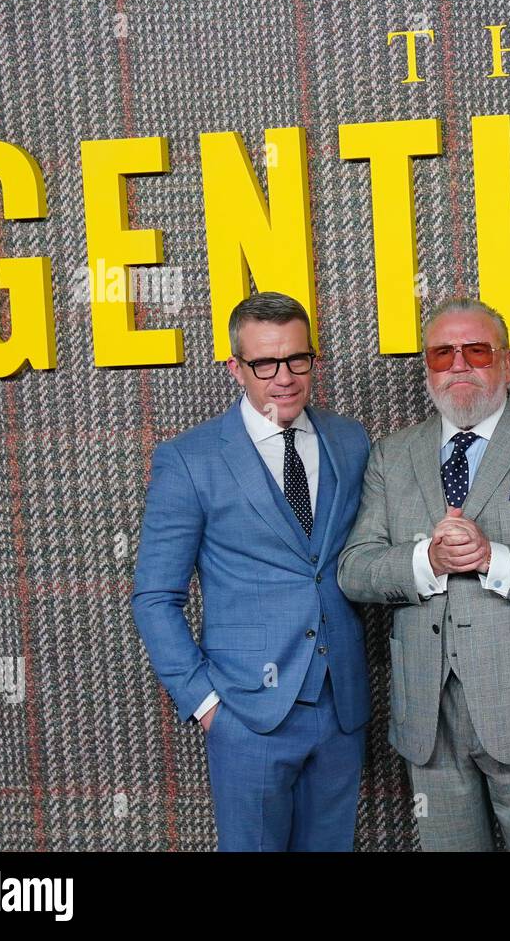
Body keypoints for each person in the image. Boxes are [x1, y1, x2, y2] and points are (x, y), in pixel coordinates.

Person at [338, 298, 510, 851]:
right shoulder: (393, 455)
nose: (459, 365)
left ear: (506, 362)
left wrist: (494, 558)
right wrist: (427, 562)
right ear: (426, 367)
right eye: (443, 354)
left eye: (476, 350)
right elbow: (354, 569)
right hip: (429, 724)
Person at [132, 291, 371, 851]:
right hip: (245, 712)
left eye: (296, 359)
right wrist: (207, 705)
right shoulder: (191, 458)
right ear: (236, 368)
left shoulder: (350, 440)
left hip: (342, 708)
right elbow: (155, 596)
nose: (283, 377)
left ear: (313, 358)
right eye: (265, 363)